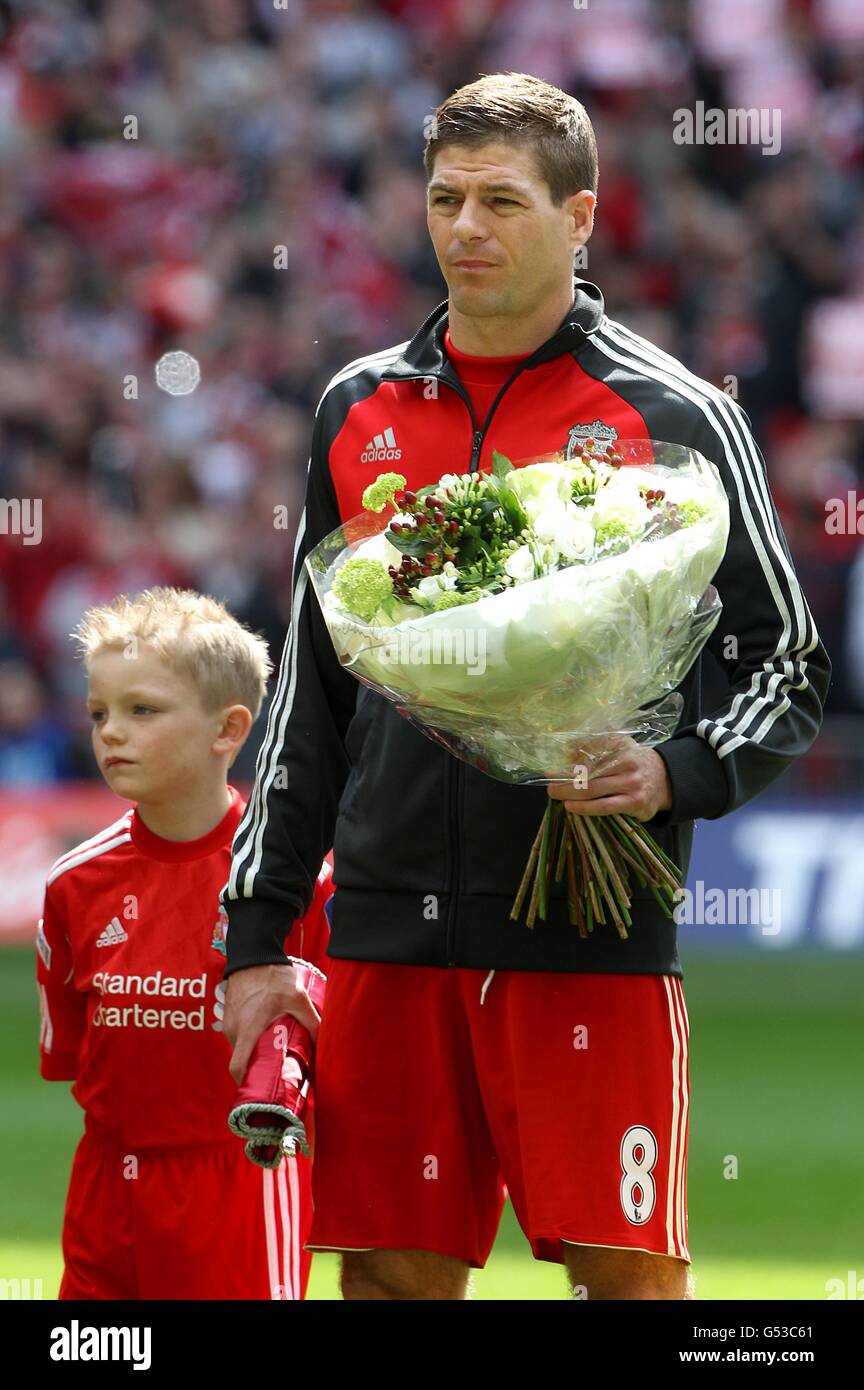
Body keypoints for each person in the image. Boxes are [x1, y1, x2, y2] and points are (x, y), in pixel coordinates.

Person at [221, 72, 831, 1301]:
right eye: (445, 198)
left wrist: (677, 769)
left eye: (501, 200)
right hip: (388, 932)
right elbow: (310, 700)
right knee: (391, 1282)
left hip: (589, 930)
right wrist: (257, 931)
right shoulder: (357, 407)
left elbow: (787, 660)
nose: (465, 229)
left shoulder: (679, 415)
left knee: (627, 1281)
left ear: (582, 215)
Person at [36, 586, 333, 1300]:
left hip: (241, 1181)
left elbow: (347, 1057)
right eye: (99, 713)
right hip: (106, 1183)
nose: (110, 732)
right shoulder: (72, 885)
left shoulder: (297, 886)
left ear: (228, 729)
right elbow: (74, 1061)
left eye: (142, 711)